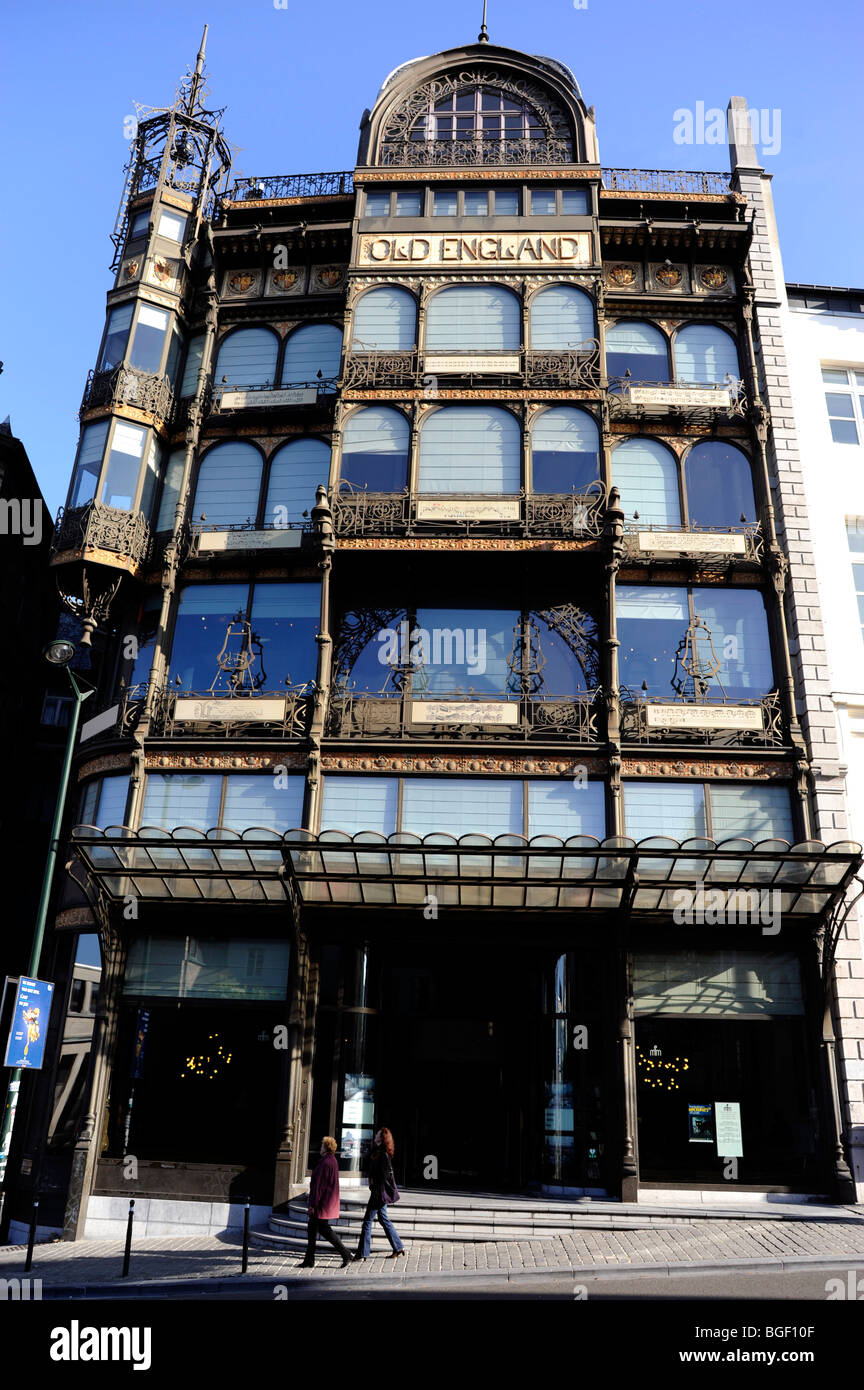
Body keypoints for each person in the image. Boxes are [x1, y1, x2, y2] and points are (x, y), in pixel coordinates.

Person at [299, 1136, 353, 1268]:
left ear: (326, 1148)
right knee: (312, 1230)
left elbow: (318, 1186)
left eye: (322, 1145)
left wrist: (313, 1205)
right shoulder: (332, 1160)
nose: (320, 1147)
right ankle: (309, 1260)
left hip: (321, 1203)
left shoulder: (325, 1163)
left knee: (324, 1230)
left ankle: (346, 1254)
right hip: (325, 1201)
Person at [355, 1127, 405, 1260]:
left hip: (378, 1194)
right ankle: (398, 1247)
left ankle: (362, 1253)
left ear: (382, 1138)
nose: (375, 1135)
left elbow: (383, 1177)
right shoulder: (377, 1152)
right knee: (384, 1219)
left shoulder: (383, 1155)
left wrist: (375, 1191)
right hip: (378, 1193)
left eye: (377, 1134)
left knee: (367, 1222)